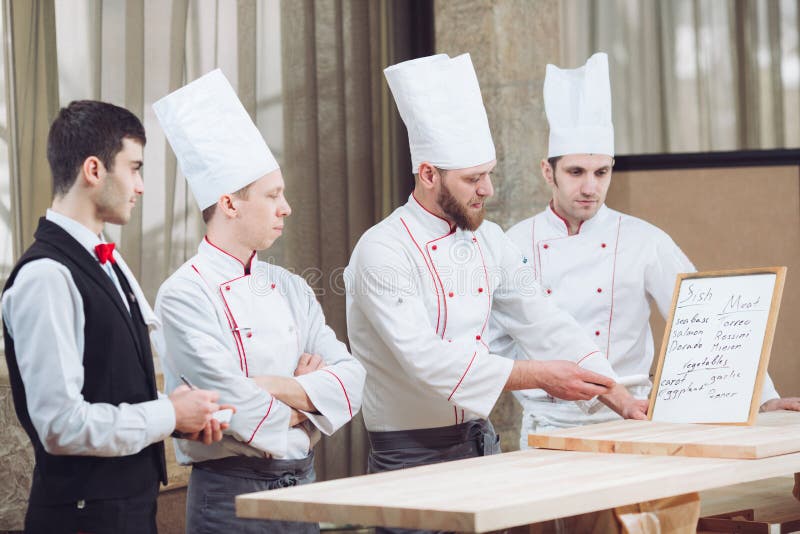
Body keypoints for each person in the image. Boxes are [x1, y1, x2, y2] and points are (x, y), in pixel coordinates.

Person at [345, 53, 646, 494]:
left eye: (488, 174)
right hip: (408, 454)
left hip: (480, 443)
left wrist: (615, 393)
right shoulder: (382, 249)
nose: (487, 189)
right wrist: (538, 375)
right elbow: (426, 359)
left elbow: (541, 318)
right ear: (428, 174)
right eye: (473, 179)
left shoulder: (489, 241)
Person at [501, 52, 800, 446]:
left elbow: (709, 320)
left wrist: (764, 400)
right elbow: (492, 344)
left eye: (601, 172)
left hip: (630, 421)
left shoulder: (645, 240)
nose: (590, 187)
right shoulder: (513, 244)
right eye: (576, 172)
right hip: (544, 427)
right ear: (547, 171)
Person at [153, 69, 366, 533]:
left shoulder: (290, 286)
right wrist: (307, 399)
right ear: (229, 204)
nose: (286, 207)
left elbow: (353, 381)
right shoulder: (183, 294)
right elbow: (229, 404)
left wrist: (267, 384)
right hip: (230, 498)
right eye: (273, 195)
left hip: (303, 490)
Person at [1, 100, 226, 534]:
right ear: (93, 170)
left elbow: (113, 379)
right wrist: (169, 415)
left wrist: (183, 420)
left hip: (127, 511)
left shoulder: (106, 259)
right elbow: (62, 427)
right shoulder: (46, 276)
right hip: (82, 518)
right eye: (135, 167)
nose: (140, 186)